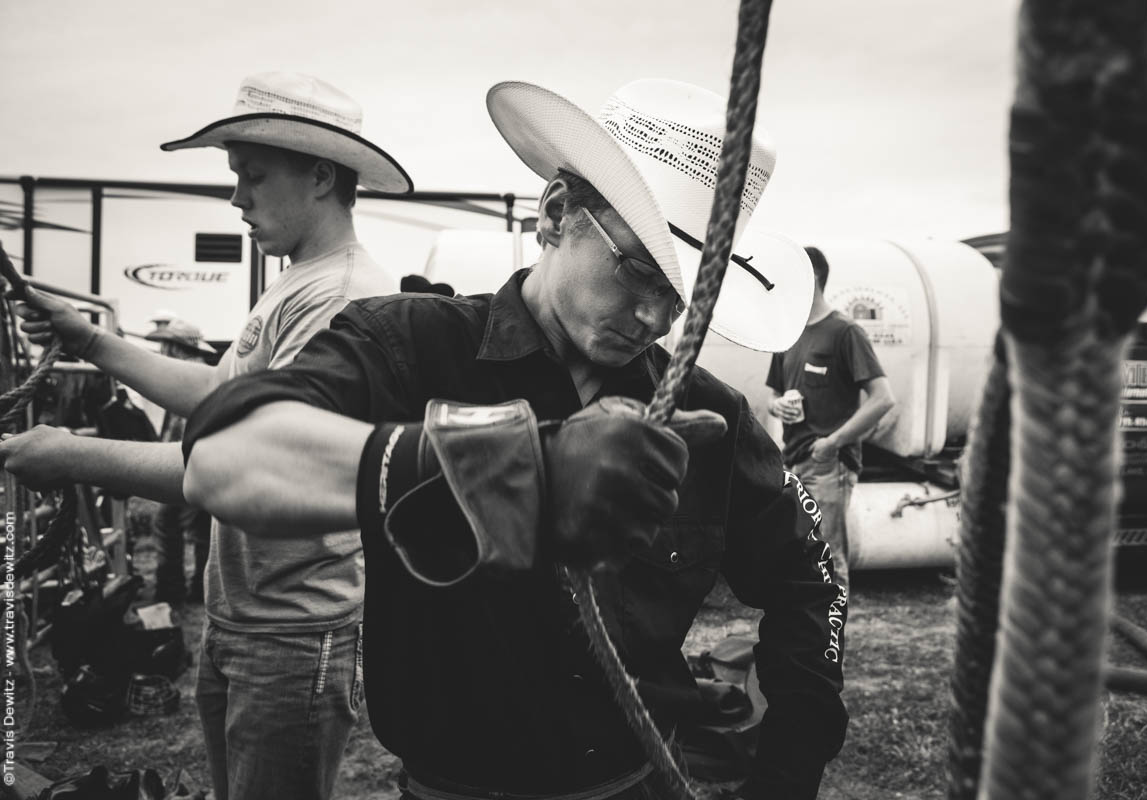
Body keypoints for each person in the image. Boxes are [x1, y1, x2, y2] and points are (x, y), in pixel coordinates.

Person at [181, 79, 847, 800]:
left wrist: (792, 761)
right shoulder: (409, 347)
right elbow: (225, 456)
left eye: (684, 295)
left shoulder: (710, 419)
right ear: (558, 214)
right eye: (639, 270)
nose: (656, 314)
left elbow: (811, 579)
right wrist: (508, 467)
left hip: (632, 782)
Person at [1, 71, 412, 800]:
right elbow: (219, 398)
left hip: (293, 628)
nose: (236, 197)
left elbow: (249, 465)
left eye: (252, 176)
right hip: (253, 619)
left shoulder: (340, 299)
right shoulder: (299, 282)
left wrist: (73, 455)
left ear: (320, 176)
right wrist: (92, 342)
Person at [766, 245, 896, 596]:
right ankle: (805, 645)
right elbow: (772, 396)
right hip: (792, 461)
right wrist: (779, 408)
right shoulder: (788, 331)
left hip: (828, 465)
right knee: (798, 558)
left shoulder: (844, 332)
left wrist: (832, 443)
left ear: (814, 278)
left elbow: (883, 399)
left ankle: (829, 648)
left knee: (828, 560)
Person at [144, 313, 217, 604]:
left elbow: (180, 428)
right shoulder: (204, 373)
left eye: (165, 345)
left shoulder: (183, 376)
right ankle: (201, 588)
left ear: (174, 348)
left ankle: (170, 588)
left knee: (167, 524)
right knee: (202, 529)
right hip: (207, 462)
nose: (162, 350)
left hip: (186, 463)